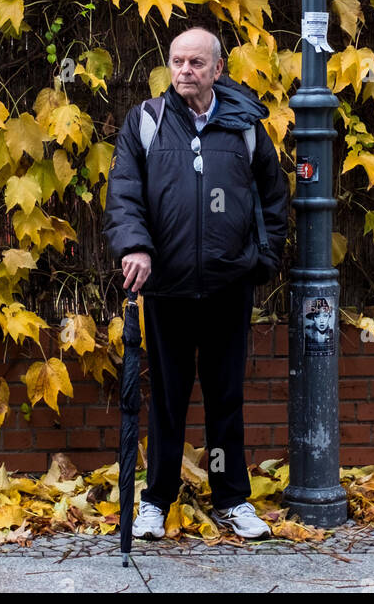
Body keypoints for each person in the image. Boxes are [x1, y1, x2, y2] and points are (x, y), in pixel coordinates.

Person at [102, 27, 289, 540]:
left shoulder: (245, 127)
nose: (185, 71)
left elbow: (273, 197)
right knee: (167, 398)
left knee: (225, 397)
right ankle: (157, 501)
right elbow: (123, 194)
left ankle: (232, 500)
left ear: (217, 70)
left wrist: (262, 258)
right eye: (178, 62)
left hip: (229, 287)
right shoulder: (147, 122)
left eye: (196, 63)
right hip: (168, 288)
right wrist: (135, 246)